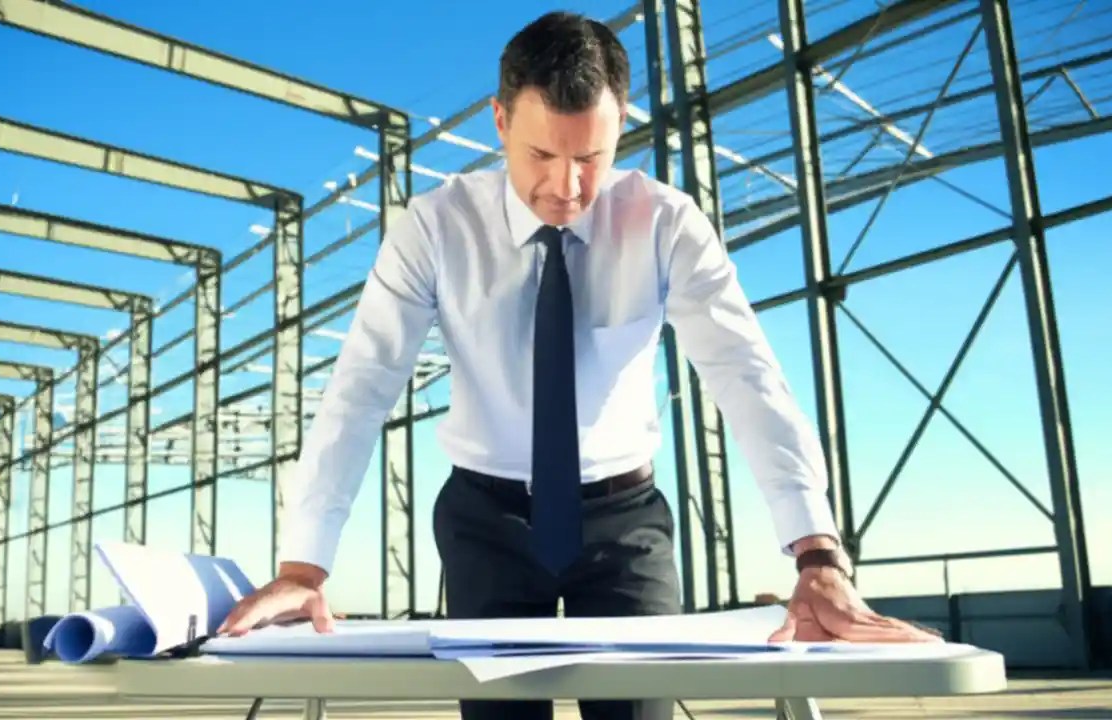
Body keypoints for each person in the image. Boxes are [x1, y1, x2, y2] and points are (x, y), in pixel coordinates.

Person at [219, 10, 940, 720]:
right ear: (500, 122)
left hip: (622, 526)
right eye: (541, 156)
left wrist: (818, 554)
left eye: (589, 159)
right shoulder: (434, 229)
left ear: (620, 123)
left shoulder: (666, 224)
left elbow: (745, 375)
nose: (566, 186)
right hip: (485, 524)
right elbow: (361, 388)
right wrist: (302, 567)